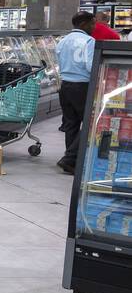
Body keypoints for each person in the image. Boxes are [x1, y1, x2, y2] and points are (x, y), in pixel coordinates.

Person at [56, 11, 97, 175]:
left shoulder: (63, 41)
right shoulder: (89, 41)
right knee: (89, 122)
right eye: (92, 24)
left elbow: (58, 62)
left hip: (65, 85)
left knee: (71, 123)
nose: (94, 27)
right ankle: (69, 158)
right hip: (82, 86)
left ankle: (72, 162)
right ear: (83, 24)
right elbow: (90, 65)